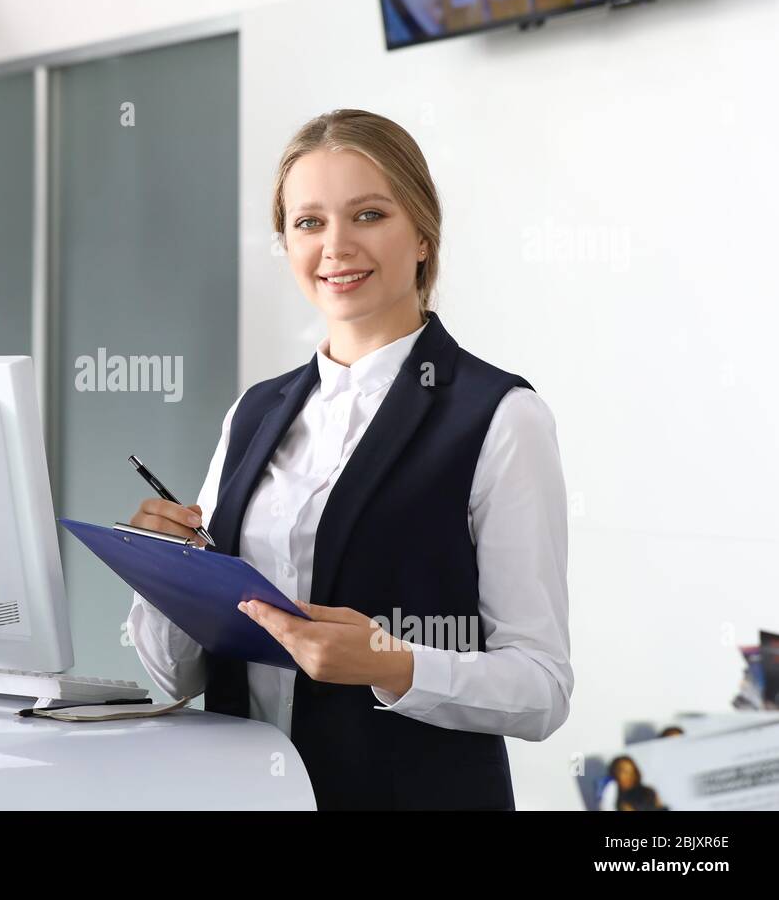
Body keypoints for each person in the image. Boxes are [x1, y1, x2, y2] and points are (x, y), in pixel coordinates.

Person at [125, 108, 572, 810]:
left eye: (367, 215)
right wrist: (160, 572)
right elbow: (176, 678)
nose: (336, 246)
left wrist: (393, 664)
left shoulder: (499, 416)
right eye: (309, 223)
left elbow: (542, 689)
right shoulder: (253, 414)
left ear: (422, 235)